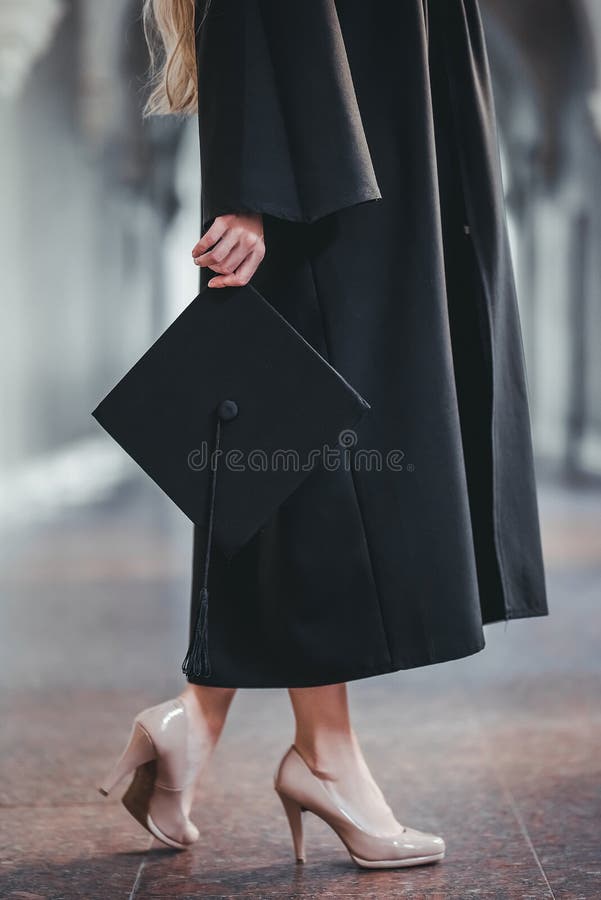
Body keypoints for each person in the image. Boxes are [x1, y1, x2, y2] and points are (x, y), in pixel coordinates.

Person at [98, 0, 548, 868]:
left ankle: (196, 721)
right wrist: (256, 187)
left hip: (376, 139)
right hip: (338, 169)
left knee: (290, 438)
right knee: (312, 449)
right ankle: (323, 758)